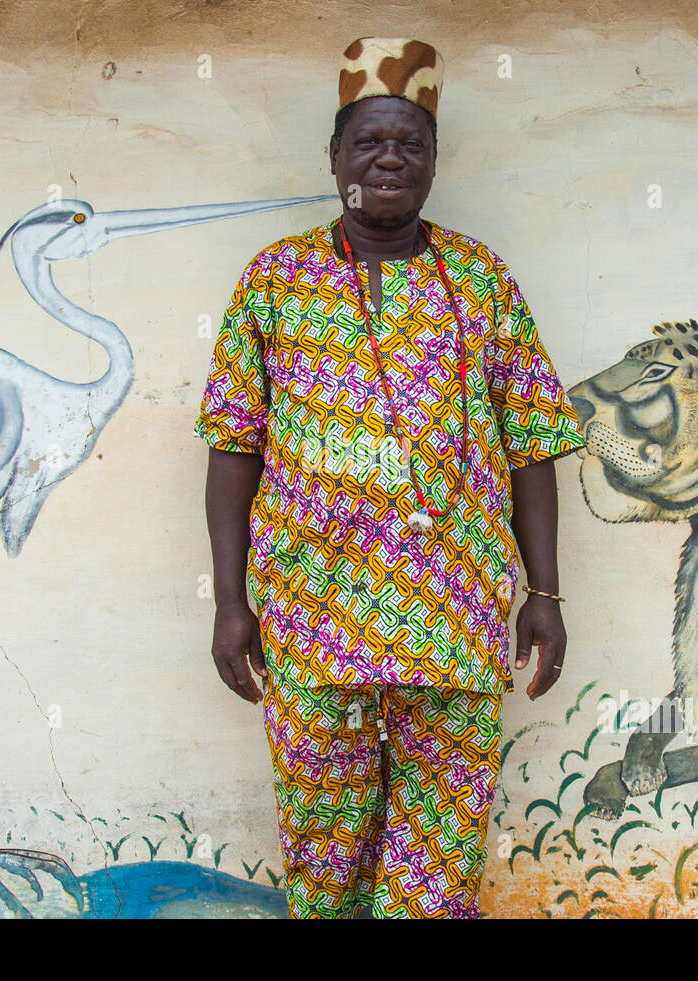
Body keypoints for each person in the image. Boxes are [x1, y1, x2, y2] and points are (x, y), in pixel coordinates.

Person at [194, 37, 584, 918]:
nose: (389, 159)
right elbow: (232, 446)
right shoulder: (275, 281)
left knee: (438, 857)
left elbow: (531, 444)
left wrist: (547, 595)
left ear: (435, 160)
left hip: (453, 620)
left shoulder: (482, 281)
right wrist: (229, 601)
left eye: (411, 143)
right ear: (334, 156)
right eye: (369, 140)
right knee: (323, 852)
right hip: (313, 620)